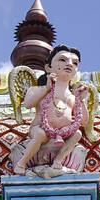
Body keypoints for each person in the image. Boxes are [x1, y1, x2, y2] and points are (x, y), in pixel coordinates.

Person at [16, 44, 93, 174]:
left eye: (75, 63)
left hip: (64, 134)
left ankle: (58, 160)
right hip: (40, 129)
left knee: (78, 134)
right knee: (40, 134)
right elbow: (28, 104)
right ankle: (21, 163)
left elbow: (84, 122)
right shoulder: (38, 90)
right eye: (62, 60)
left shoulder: (73, 97)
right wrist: (46, 88)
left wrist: (82, 100)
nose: (69, 64)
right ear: (48, 67)